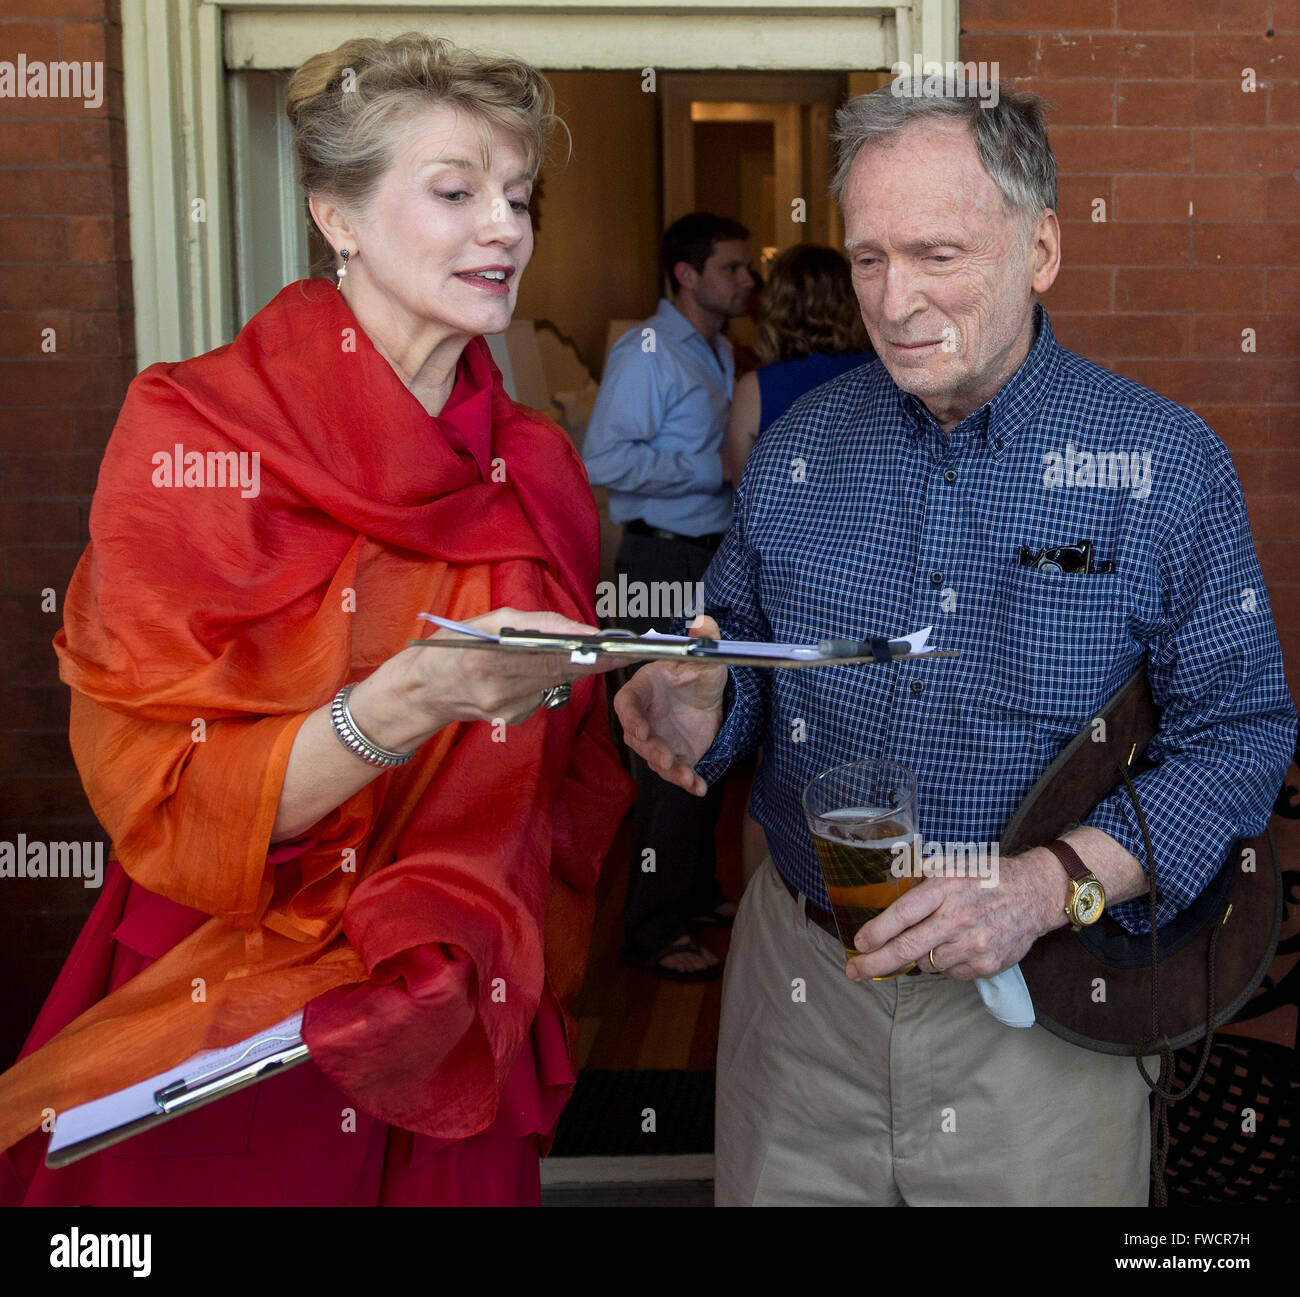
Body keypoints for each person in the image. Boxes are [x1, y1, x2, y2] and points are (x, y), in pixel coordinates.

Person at [615, 83, 1297, 1205]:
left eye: (937, 253)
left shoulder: (1162, 465)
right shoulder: (795, 448)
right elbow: (742, 650)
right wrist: (703, 701)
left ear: (1040, 248)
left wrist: (1048, 883)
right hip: (804, 993)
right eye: (868, 258)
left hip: (1045, 1005)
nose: (893, 301)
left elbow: (1241, 736)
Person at [0, 32, 633, 1208]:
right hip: (238, 1003)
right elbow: (175, 796)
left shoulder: (540, 467)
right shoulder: (194, 437)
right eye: (454, 192)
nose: (503, 226)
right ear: (335, 214)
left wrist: (636, 699)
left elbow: (552, 756)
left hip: (453, 999)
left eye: (516, 195)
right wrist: (404, 704)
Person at [582, 212, 754, 979]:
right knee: (666, 737)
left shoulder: (717, 348)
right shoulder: (645, 351)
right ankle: (649, 926)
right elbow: (605, 458)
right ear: (686, 274)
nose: (748, 280)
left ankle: (691, 890)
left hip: (711, 559)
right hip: (661, 561)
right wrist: (710, 465)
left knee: (710, 722)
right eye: (732, 268)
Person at [723, 243, 871, 484]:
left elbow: (745, 496)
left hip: (781, 521)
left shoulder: (756, 388)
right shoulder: (888, 375)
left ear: (777, 305)